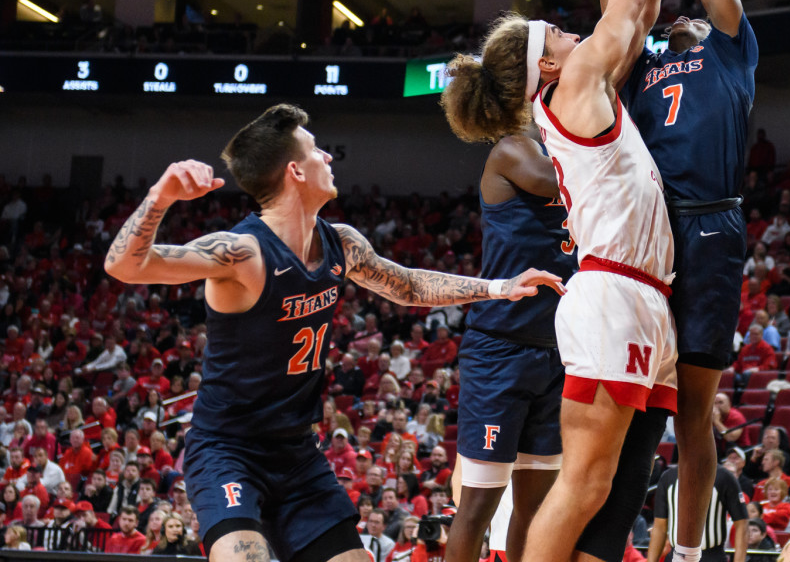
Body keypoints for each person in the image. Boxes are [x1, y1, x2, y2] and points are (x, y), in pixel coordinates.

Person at [103, 105, 561, 562]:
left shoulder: (340, 242)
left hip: (298, 453)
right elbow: (123, 264)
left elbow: (407, 284)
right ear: (295, 170)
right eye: (317, 149)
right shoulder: (244, 253)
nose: (328, 156)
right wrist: (161, 196)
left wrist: (501, 287)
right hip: (229, 451)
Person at [441, 0, 676, 562]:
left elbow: (637, 16)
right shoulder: (567, 92)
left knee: (599, 485)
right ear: (547, 66)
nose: (575, 35)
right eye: (560, 34)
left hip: (633, 293)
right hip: (602, 293)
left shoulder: (581, 87)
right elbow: (624, 8)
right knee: (579, 486)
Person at [582, 0, 758, 562]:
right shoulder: (644, 59)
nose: (682, 8)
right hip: (644, 233)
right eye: (673, 11)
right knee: (630, 407)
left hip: (710, 223)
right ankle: (603, 536)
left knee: (694, 410)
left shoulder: (729, 46)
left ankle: (688, 553)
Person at [437, 83, 579, 562]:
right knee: (478, 505)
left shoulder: (553, 146)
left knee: (536, 508)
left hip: (558, 349)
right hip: (502, 348)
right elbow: (558, 180)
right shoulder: (511, 150)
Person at [646, 464, 749, 562]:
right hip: (676, 556)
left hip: (711, 557)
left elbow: (742, 524)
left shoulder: (724, 476)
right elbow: (659, 527)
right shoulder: (668, 477)